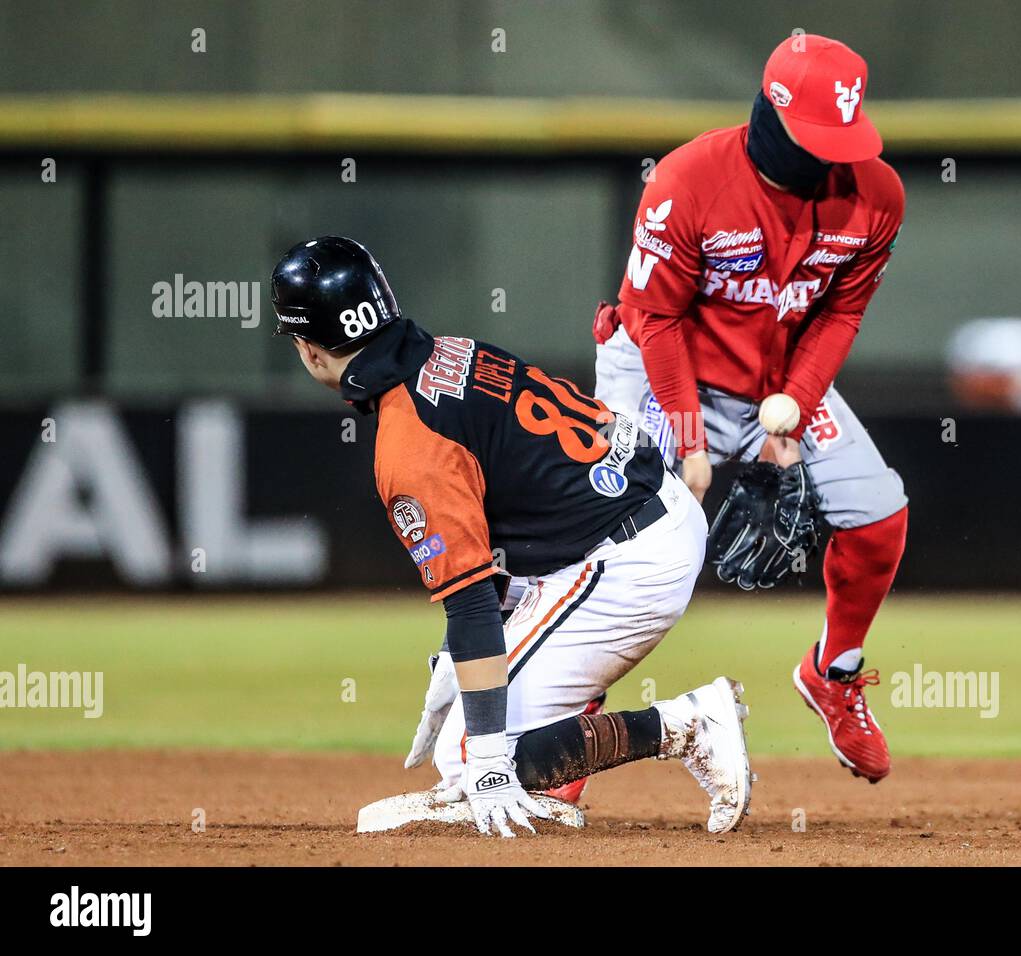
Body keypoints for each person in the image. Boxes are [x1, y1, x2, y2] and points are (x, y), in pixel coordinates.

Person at [271, 235, 752, 837]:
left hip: (630, 557)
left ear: (310, 348)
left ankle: (688, 724)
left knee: (470, 759)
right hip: (633, 509)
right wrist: (458, 658)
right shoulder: (449, 351)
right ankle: (552, 747)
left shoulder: (409, 444)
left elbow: (471, 601)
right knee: (473, 738)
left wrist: (493, 763)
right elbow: (508, 519)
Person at [592, 34, 907, 783]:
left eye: (844, 140)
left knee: (879, 515)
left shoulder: (876, 196)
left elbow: (839, 315)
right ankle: (572, 719)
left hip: (774, 380)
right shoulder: (687, 180)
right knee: (605, 537)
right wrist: (691, 442)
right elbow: (655, 318)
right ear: (772, 112)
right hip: (661, 369)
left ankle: (834, 672)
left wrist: (792, 413)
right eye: (817, 139)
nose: (833, 157)